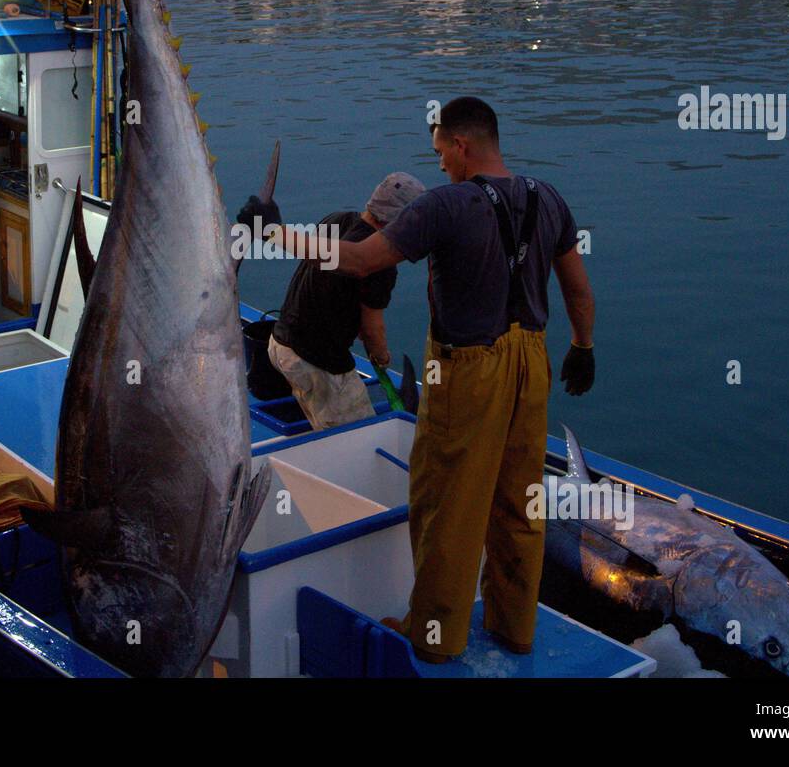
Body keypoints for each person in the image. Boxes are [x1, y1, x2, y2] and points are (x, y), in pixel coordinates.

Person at [252, 97, 595, 663]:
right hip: (532, 364)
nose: (439, 165)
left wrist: (277, 233)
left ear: (461, 145)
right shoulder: (548, 197)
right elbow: (577, 288)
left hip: (469, 369)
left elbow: (361, 259)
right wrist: (582, 347)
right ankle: (515, 628)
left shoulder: (447, 206)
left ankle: (435, 637)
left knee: (447, 504)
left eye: (440, 152)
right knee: (520, 500)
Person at [237, 172, 425, 431]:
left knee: (318, 409)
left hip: (280, 344)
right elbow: (372, 329)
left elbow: (327, 278)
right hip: (315, 360)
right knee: (359, 436)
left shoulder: (337, 219)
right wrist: (381, 355)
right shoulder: (380, 263)